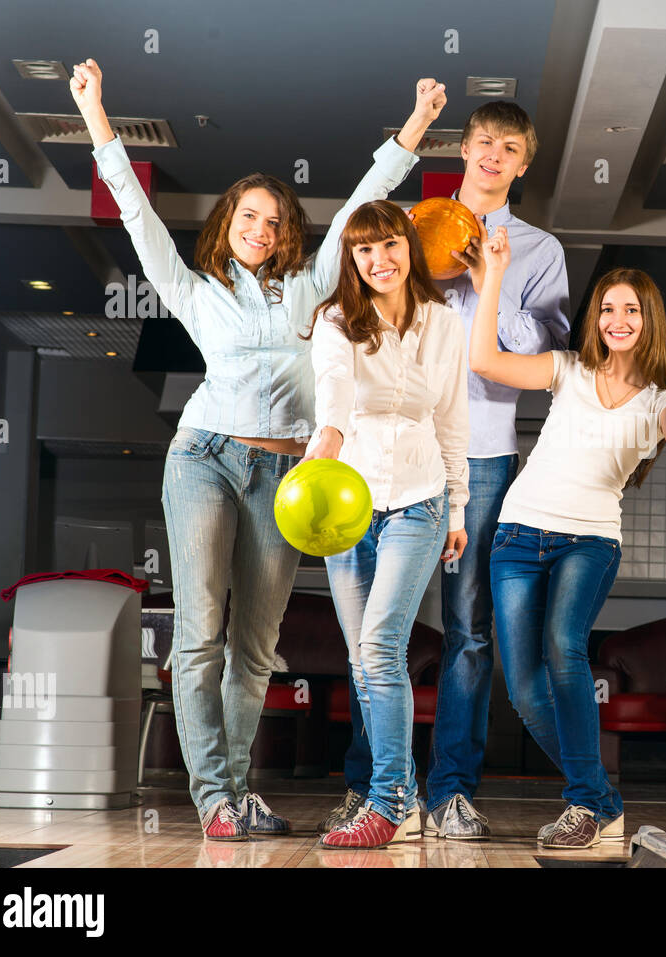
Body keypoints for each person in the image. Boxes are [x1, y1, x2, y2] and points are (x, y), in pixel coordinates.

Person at [69, 57, 445, 841]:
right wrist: (99, 119)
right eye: (249, 218)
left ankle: (237, 793)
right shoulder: (195, 290)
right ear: (226, 224)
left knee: (256, 646)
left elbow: (357, 212)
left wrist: (411, 131)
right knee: (202, 629)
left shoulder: (313, 290)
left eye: (275, 221)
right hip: (205, 457)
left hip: (288, 475)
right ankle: (215, 799)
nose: (262, 230)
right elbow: (138, 216)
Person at [469, 242, 666, 849]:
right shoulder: (567, 369)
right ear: (596, 319)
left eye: (630, 309)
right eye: (608, 309)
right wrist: (493, 274)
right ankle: (602, 801)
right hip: (518, 534)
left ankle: (584, 805)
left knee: (563, 647)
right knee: (524, 693)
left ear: (647, 320)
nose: (618, 320)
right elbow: (483, 359)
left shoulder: (660, 399)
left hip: (590, 540)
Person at [420, 101, 570, 840]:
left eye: (509, 148)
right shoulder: (411, 227)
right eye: (484, 141)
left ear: (522, 164)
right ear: (464, 147)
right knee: (374, 635)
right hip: (400, 448)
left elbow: (540, 362)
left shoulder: (539, 250)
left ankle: (448, 792)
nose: (493, 155)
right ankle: (371, 789)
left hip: (482, 455)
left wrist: (487, 280)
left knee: (468, 631)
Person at [305, 199, 470, 849]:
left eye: (390, 244)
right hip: (346, 504)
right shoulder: (336, 320)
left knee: (380, 648)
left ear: (411, 245)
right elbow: (335, 389)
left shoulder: (443, 323)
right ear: (352, 258)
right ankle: (390, 792)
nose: (379, 259)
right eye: (364, 249)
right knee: (361, 658)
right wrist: (329, 437)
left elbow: (453, 419)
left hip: (420, 502)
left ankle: (392, 800)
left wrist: (458, 505)